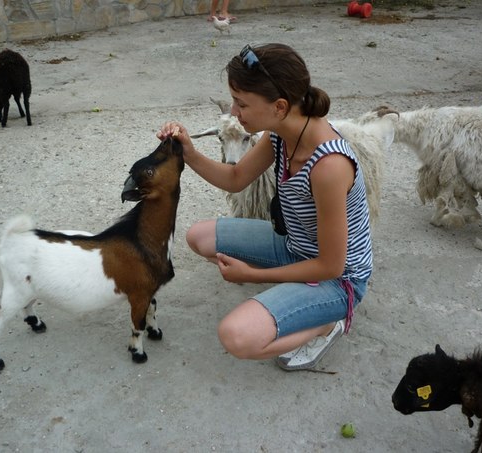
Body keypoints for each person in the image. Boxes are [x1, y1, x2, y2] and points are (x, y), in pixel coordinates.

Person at [157, 43, 372, 371]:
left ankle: (328, 324)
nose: (234, 111)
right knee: (198, 237)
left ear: (280, 106)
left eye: (242, 103)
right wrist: (188, 152)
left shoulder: (329, 166)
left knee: (237, 337)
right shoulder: (280, 134)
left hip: (339, 279)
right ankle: (294, 293)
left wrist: (254, 276)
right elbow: (235, 178)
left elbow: (330, 265)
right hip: (295, 246)